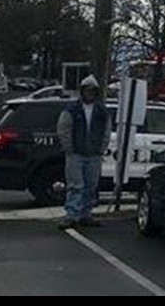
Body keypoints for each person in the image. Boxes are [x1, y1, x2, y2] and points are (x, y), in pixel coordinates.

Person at [55, 75, 110, 230]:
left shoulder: (101, 111)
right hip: (76, 154)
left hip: (94, 155)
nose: (90, 93)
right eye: (87, 90)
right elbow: (63, 129)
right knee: (75, 185)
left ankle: (85, 214)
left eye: (93, 91)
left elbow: (106, 131)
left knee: (90, 186)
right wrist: (69, 148)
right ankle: (71, 215)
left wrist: (101, 149)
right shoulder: (72, 110)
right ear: (82, 91)